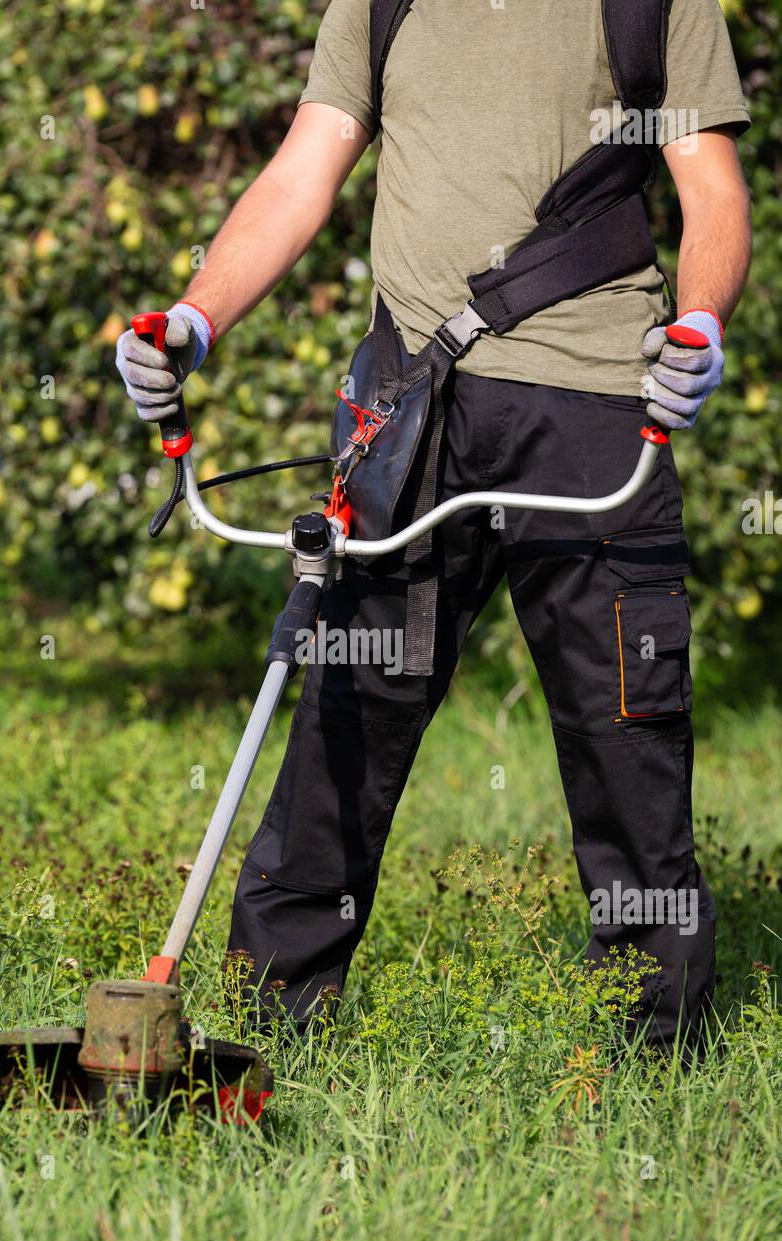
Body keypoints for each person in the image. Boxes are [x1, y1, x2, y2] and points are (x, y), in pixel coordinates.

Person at [116, 0, 751, 1052]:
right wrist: (194, 318)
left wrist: (698, 327)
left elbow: (710, 184)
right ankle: (265, 1028)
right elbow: (300, 170)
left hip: (598, 406)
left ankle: (648, 1052)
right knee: (345, 716)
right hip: (407, 405)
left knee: (626, 732)